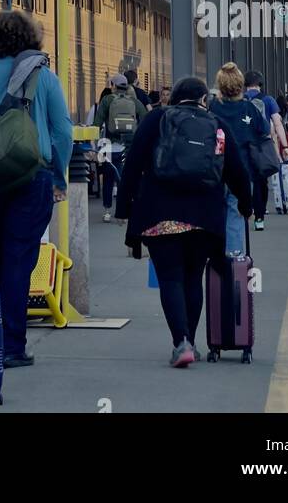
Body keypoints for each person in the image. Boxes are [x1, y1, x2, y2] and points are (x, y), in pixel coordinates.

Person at [0, 11, 73, 369]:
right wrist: (58, 177)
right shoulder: (44, 76)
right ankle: (12, 345)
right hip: (33, 177)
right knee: (20, 256)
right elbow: (62, 131)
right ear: (27, 40)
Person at [115, 77, 253, 367]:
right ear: (204, 99)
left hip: (161, 215)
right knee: (193, 277)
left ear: (173, 99)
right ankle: (189, 340)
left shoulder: (156, 120)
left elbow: (134, 162)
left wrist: (124, 207)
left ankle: (182, 343)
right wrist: (246, 204)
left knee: (170, 278)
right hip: (205, 218)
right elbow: (237, 169)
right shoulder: (216, 125)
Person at [209, 63, 270, 251]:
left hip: (216, 171)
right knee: (236, 217)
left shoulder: (212, 108)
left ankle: (217, 262)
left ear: (219, 85)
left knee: (215, 217)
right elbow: (264, 131)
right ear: (240, 84)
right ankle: (235, 265)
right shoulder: (249, 108)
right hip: (243, 173)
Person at [95, 75, 146, 223]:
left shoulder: (107, 100)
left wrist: (95, 144)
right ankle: (126, 210)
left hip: (110, 146)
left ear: (113, 85)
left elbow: (97, 123)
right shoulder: (134, 102)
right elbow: (145, 118)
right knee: (126, 178)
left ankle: (107, 211)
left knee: (108, 179)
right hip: (129, 148)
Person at [243, 70, 288, 230]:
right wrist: (284, 145)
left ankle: (246, 212)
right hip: (262, 146)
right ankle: (259, 218)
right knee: (261, 181)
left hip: (243, 146)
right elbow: (277, 124)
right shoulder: (268, 100)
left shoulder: (240, 100)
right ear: (260, 84)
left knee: (243, 180)